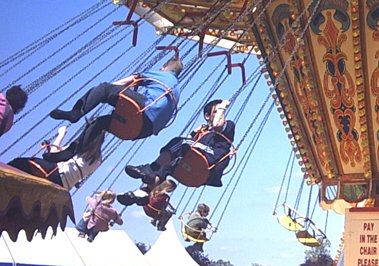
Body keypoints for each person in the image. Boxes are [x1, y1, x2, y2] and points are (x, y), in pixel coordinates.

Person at [49, 57, 183, 141]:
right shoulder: (177, 90)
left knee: (104, 88)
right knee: (100, 123)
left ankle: (77, 112)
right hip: (145, 130)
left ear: (165, 67)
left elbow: (132, 79)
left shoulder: (161, 75)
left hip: (144, 111)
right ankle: (72, 151)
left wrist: (106, 91)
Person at [126, 99, 234, 188]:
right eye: (216, 112)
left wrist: (222, 106)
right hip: (196, 167)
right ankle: (144, 191)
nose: (220, 114)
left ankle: (152, 167)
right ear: (207, 116)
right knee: (168, 162)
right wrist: (194, 134)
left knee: (180, 142)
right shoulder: (201, 131)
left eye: (221, 112)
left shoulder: (228, 126)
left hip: (211, 164)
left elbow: (217, 125)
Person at [8, 125, 105, 190]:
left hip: (56, 174)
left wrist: (61, 135)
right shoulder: (98, 158)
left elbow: (52, 156)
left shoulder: (80, 147)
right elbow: (64, 154)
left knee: (17, 163)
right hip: (65, 185)